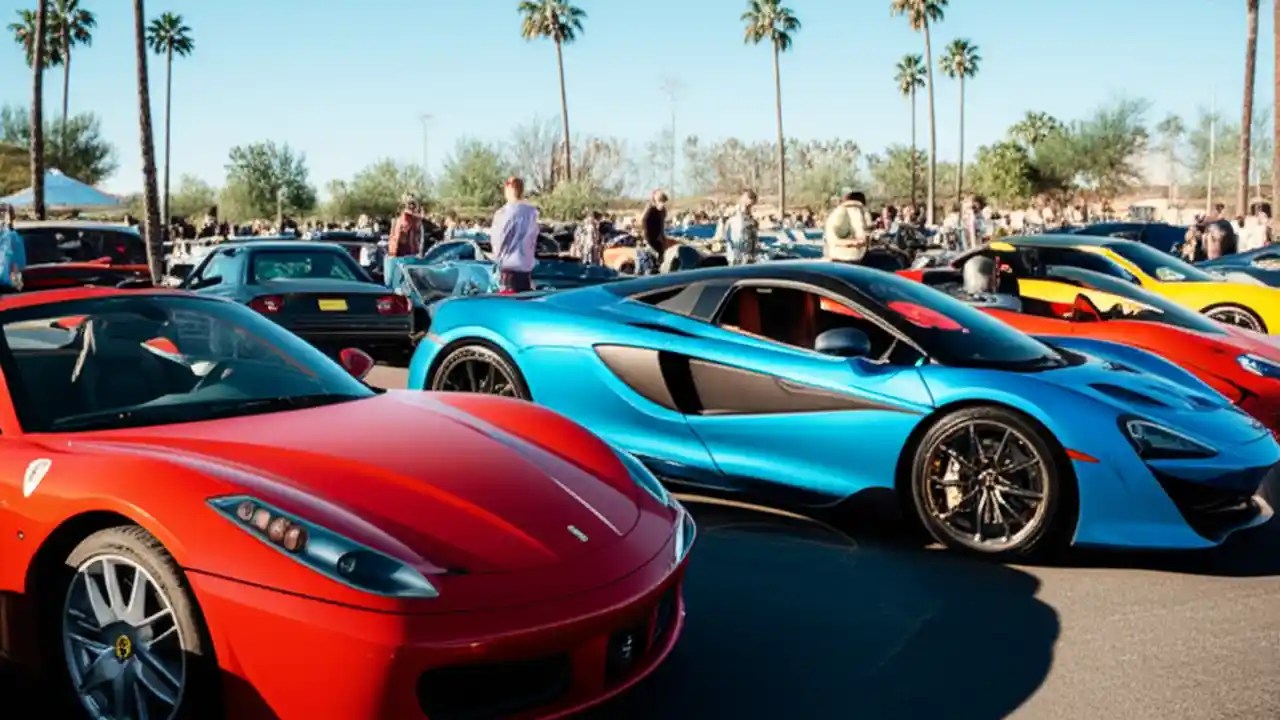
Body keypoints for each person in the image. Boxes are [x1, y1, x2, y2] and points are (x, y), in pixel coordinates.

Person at [489, 176, 540, 292]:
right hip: (526, 271)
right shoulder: (532, 213)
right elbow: (533, 239)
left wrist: (498, 257)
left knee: (508, 302)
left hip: (509, 272)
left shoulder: (504, 213)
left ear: (509, 188)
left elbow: (498, 241)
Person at [385, 193, 425, 287]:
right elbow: (395, 237)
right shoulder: (401, 220)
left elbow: (419, 237)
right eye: (409, 204)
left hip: (409, 253)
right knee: (400, 280)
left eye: (412, 204)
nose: (411, 207)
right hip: (402, 253)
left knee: (406, 280)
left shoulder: (414, 220)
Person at [823, 191, 871, 263]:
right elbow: (862, 235)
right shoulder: (854, 210)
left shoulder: (836, 212)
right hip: (849, 258)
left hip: (833, 256)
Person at [721, 189, 760, 266]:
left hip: (747, 255)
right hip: (734, 254)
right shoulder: (731, 215)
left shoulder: (751, 220)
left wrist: (753, 253)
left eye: (751, 206)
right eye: (749, 205)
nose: (749, 207)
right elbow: (726, 235)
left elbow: (754, 238)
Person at [638, 190, 669, 274]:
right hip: (649, 238)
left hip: (657, 238)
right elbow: (642, 221)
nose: (663, 204)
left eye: (664, 201)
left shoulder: (663, 211)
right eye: (660, 201)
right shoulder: (650, 209)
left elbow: (661, 225)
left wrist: (662, 237)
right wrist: (645, 237)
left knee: (661, 256)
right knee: (650, 257)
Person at [0, 204, 26, 293]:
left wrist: (15, 281)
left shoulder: (13, 236)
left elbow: (16, 264)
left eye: (4, 215)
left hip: (6, 285)